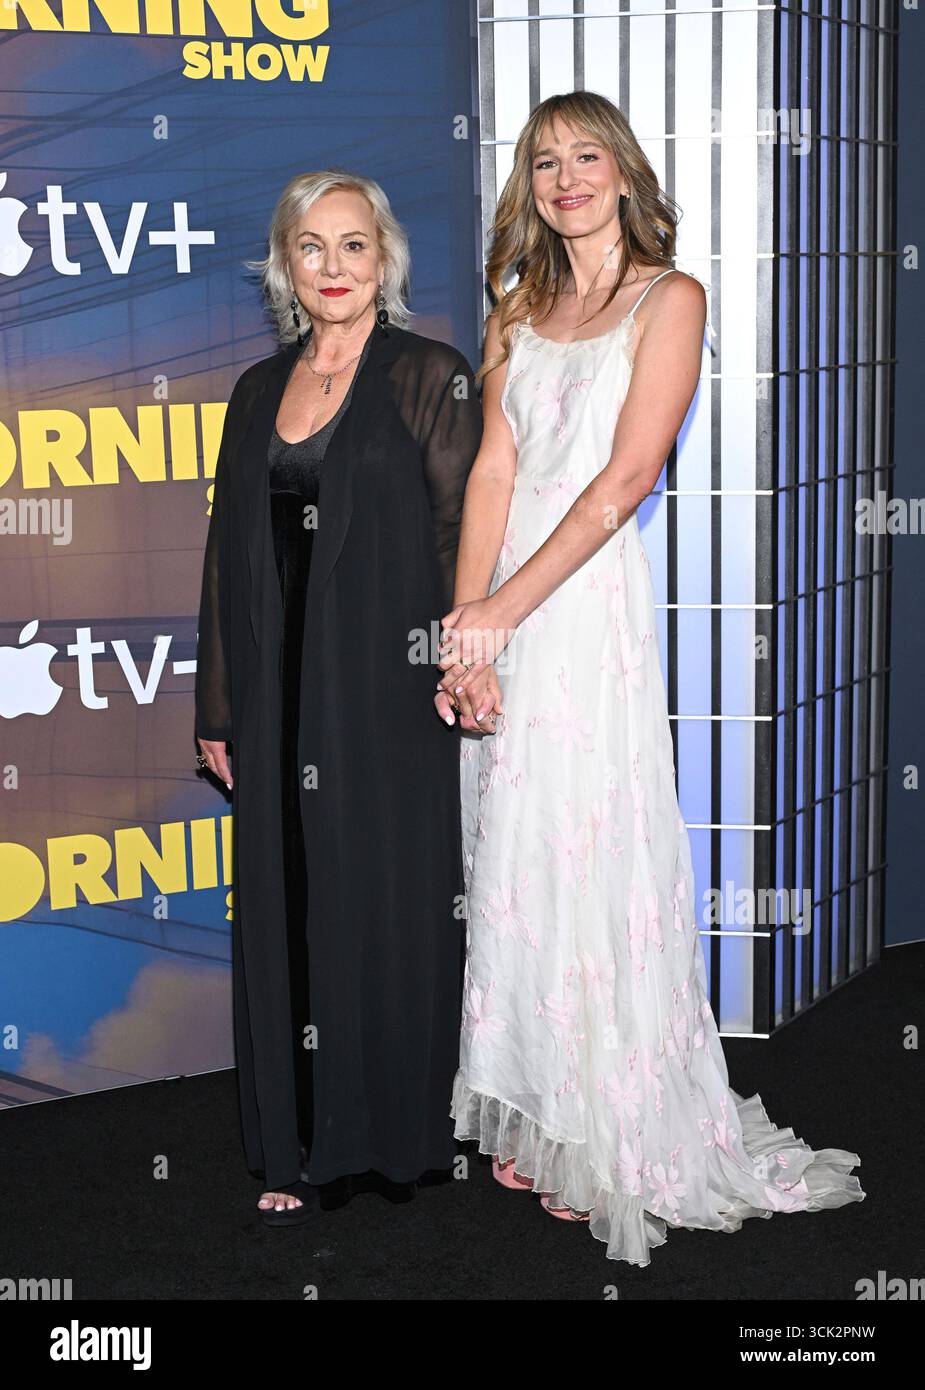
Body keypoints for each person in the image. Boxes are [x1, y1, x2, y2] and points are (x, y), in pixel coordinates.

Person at [436, 91, 864, 1266]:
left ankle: (608, 1125)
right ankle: (538, 1101)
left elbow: (627, 477)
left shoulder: (668, 298)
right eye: (542, 163)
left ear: (623, 173)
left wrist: (505, 611)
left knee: (586, 849)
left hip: (579, 615)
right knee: (510, 856)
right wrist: (463, 628)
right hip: (503, 605)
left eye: (586, 157)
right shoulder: (517, 309)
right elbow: (488, 473)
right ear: (526, 187)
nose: (565, 178)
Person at [195, 171, 482, 1224]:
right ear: (284, 264)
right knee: (286, 904)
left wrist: (463, 658)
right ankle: (296, 1146)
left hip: (387, 689)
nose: (332, 267)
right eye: (309, 247)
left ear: (385, 259)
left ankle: (394, 1138)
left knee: (386, 902)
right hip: (275, 696)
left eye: (353, 246)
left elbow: (464, 541)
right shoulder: (254, 390)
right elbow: (226, 562)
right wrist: (217, 708)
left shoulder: (431, 375)